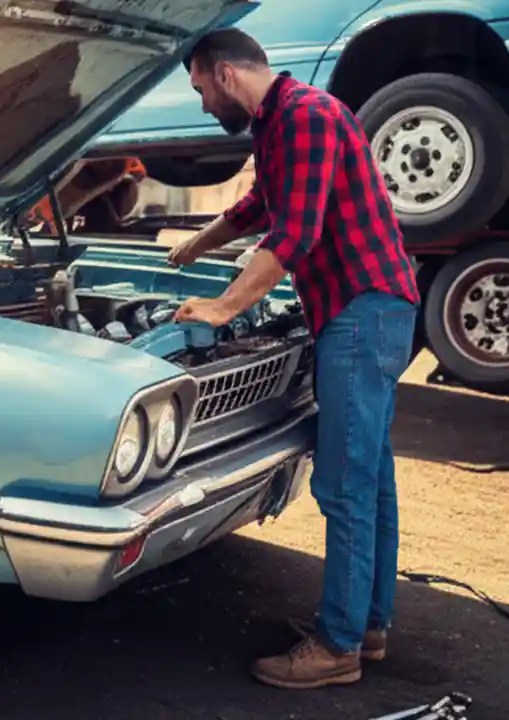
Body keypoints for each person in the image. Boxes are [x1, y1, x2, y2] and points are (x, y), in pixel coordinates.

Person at [167, 28, 421, 689]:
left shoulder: (306, 117)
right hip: (371, 311)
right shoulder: (285, 120)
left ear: (223, 74)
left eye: (198, 88)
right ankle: (366, 626)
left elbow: (294, 233)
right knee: (372, 481)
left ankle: (336, 648)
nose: (201, 104)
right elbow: (261, 205)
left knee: (342, 484)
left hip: (361, 314)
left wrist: (224, 308)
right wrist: (201, 240)